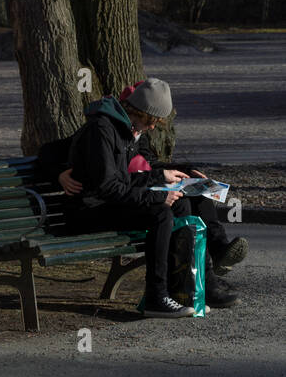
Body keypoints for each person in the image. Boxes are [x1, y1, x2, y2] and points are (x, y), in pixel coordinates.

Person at [57, 77, 247, 316]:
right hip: (87, 210)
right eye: (152, 121)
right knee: (160, 213)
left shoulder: (129, 130)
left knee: (184, 201)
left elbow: (135, 174)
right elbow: (107, 187)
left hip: (108, 202)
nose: (153, 127)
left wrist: (180, 174)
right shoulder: (102, 130)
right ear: (141, 112)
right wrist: (155, 196)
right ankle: (156, 297)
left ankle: (188, 287)